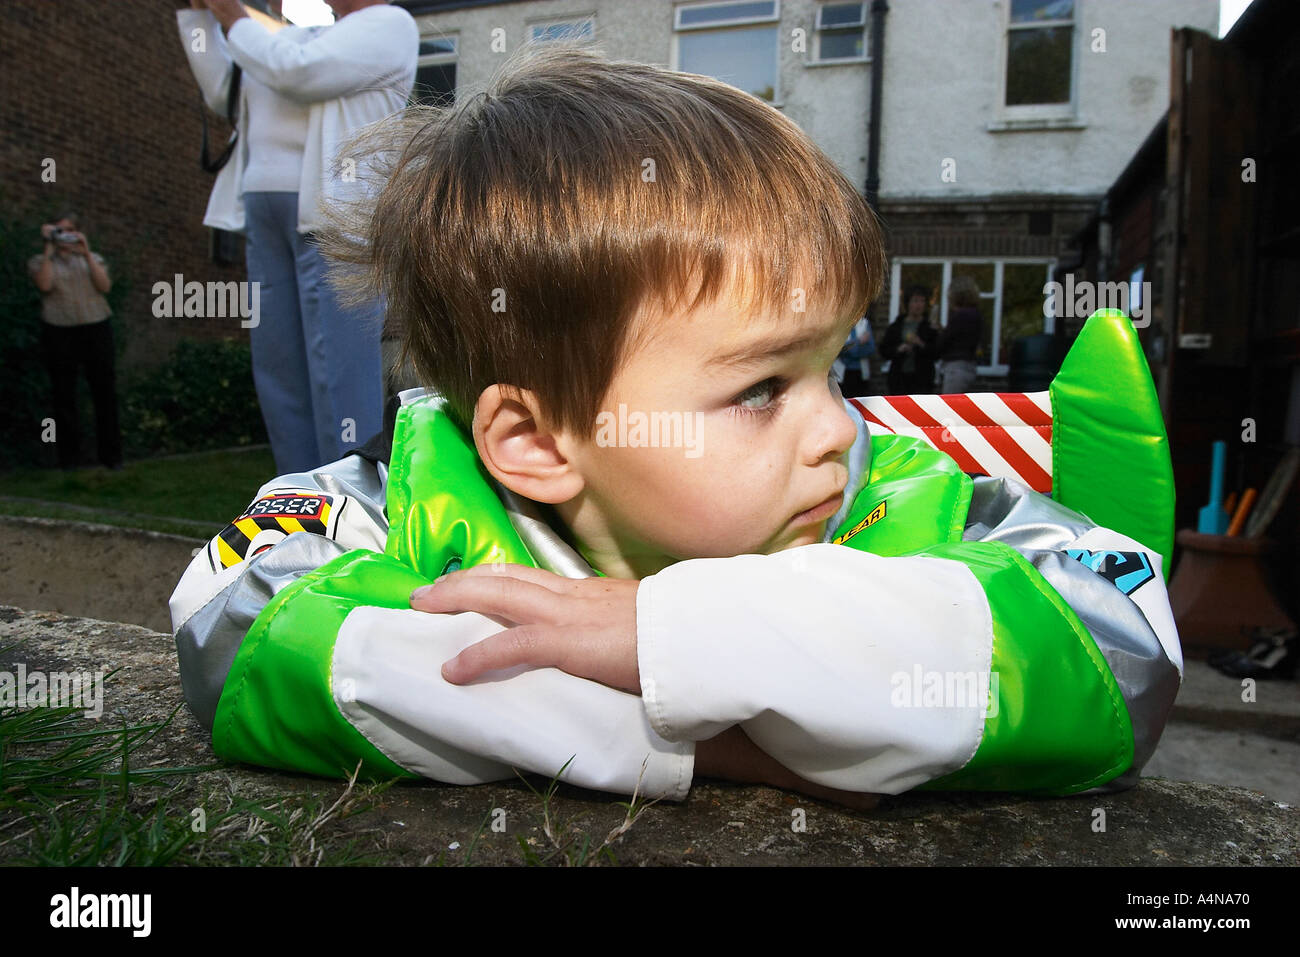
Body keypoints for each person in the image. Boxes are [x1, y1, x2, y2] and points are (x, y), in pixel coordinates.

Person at [169, 46, 1181, 807]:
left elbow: (1117, 644)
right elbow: (236, 636)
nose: (836, 427)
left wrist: (675, 635)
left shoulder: (895, 495)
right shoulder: (388, 502)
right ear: (533, 443)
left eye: (831, 366)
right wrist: (724, 738)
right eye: (760, 388)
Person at [176, 0, 417, 475]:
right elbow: (224, 91)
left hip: (336, 223)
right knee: (278, 371)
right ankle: (294, 501)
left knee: (341, 376)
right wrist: (197, 17)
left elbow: (299, 74)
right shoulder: (290, 38)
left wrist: (231, 17)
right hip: (264, 212)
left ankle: (354, 500)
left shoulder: (390, 26)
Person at [27, 214, 123, 471]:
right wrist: (48, 248)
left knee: (104, 392)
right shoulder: (40, 261)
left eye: (70, 231)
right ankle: (69, 460)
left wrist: (87, 252)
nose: (65, 236)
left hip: (96, 326)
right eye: (60, 231)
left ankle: (111, 457)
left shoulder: (94, 259)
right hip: (59, 329)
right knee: (64, 394)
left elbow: (105, 286)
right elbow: (45, 285)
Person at [879, 285, 938, 395]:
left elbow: (937, 352)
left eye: (922, 301)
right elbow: (884, 350)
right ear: (908, 303)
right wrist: (899, 349)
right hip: (899, 378)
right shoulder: (896, 326)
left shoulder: (930, 327)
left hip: (922, 378)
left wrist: (920, 344)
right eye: (915, 301)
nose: (919, 305)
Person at [937, 275, 983, 393]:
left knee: (948, 407)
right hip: (969, 366)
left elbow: (944, 342)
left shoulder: (960, 316)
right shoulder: (976, 314)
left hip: (956, 368)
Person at [836, 315, 875, 399]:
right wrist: (859, 341)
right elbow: (837, 349)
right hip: (842, 374)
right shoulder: (838, 323)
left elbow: (871, 349)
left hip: (860, 373)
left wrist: (850, 350)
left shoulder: (864, 323)